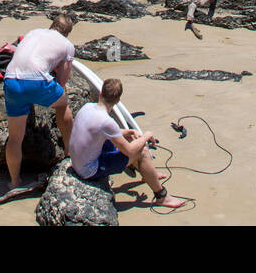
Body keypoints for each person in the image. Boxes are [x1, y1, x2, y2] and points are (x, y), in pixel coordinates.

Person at [69, 78, 185, 209]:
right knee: (142, 151)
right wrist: (146, 136)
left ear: (101, 94)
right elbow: (129, 151)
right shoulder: (106, 121)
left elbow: (101, 130)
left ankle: (149, 174)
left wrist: (128, 132)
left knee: (131, 139)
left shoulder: (87, 107)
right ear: (118, 100)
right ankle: (162, 197)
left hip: (78, 161)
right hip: (88, 170)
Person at [2, 13, 77, 191]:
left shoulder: (33, 32)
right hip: (36, 81)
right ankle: (69, 150)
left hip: (11, 80)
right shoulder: (67, 45)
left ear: (52, 26)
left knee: (15, 138)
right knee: (63, 103)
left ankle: (14, 181)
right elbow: (62, 82)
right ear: (67, 33)